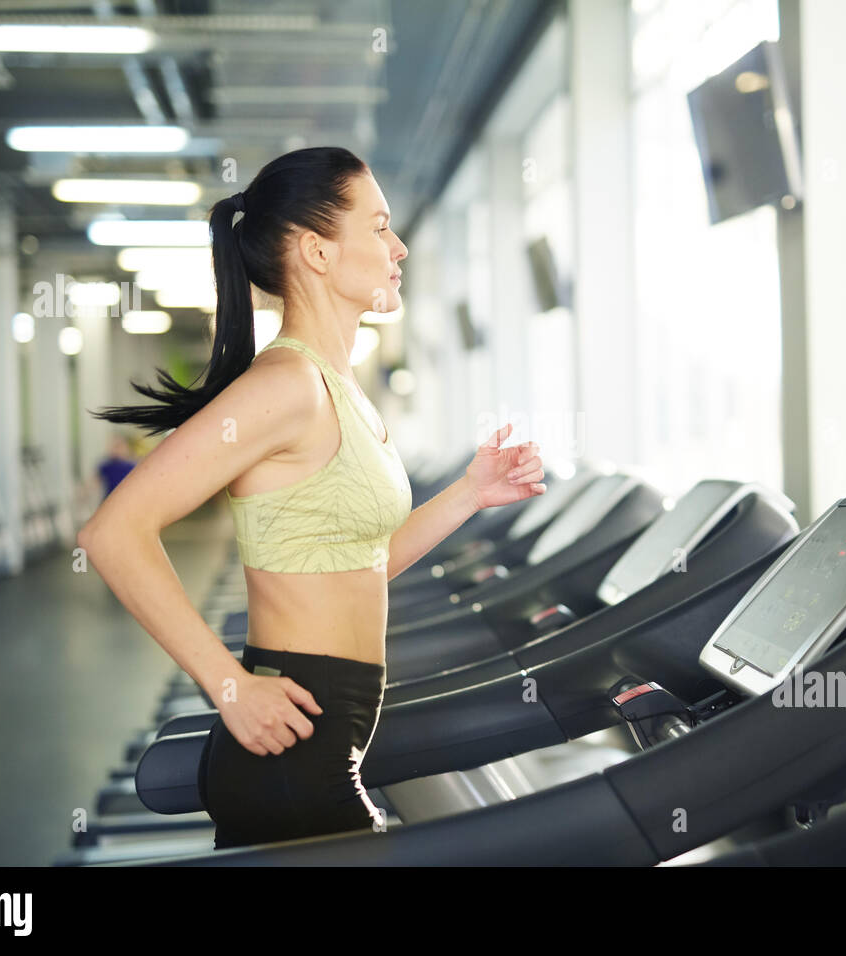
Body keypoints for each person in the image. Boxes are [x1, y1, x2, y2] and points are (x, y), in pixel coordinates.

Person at [80, 146, 546, 848]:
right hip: (291, 753)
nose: (400, 246)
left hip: (328, 744)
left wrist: (468, 496)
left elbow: (361, 564)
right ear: (317, 253)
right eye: (380, 226)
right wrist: (228, 685)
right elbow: (113, 533)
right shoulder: (285, 388)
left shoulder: (338, 388)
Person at [95, 433, 137, 499]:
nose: (117, 449)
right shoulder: (106, 466)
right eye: (114, 446)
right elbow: (95, 482)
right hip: (109, 500)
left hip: (126, 500)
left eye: (119, 446)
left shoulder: (132, 466)